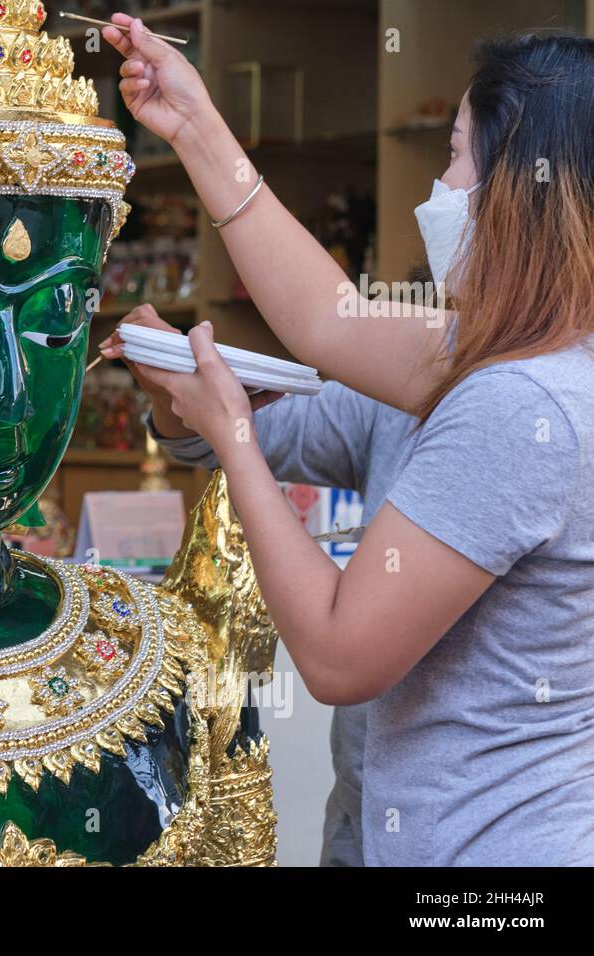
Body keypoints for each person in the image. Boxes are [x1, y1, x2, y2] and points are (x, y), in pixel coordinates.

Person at [100, 18, 594, 865]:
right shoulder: (537, 357)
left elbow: (336, 654)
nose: (438, 188)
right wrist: (193, 121)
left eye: (453, 156)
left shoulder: (520, 401)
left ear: (518, 190)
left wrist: (234, 436)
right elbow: (329, 317)